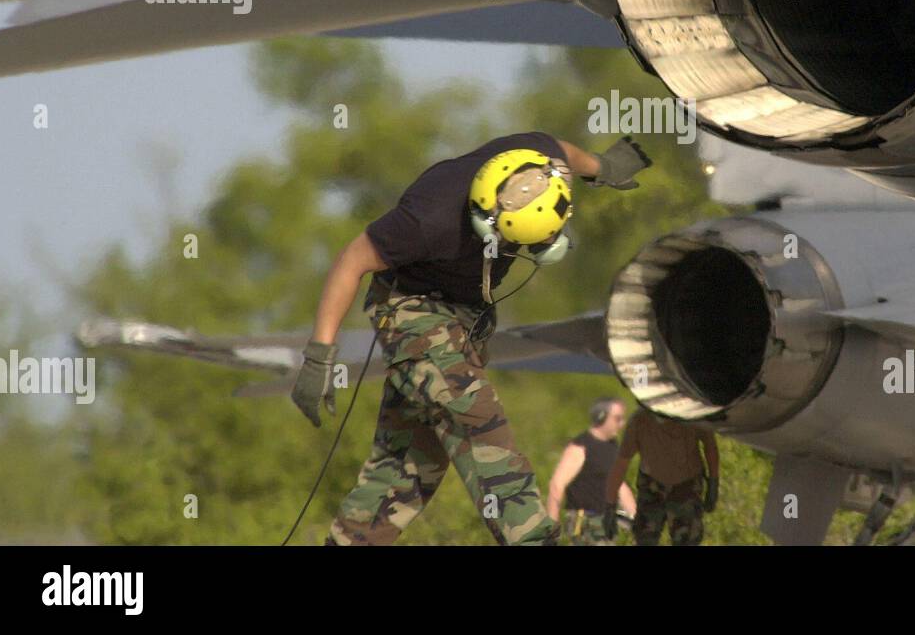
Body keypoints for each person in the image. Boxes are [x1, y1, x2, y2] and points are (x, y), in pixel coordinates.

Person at [290, 131, 651, 545]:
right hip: (411, 309)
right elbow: (350, 261)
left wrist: (604, 167)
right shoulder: (427, 217)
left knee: (409, 465)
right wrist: (320, 356)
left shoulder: (545, 162)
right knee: (476, 416)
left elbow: (564, 151)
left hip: (465, 317)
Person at [603, 407, 719, 546]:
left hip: (686, 486)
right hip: (652, 485)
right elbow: (621, 463)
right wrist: (610, 505)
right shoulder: (640, 421)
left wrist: (713, 482)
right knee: (644, 538)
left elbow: (710, 446)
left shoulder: (691, 414)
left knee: (687, 540)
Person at [547, 398, 636, 544]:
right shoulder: (580, 447)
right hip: (584, 523)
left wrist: (635, 518)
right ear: (601, 416)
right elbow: (557, 485)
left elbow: (619, 485)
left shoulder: (612, 446)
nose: (622, 423)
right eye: (617, 418)